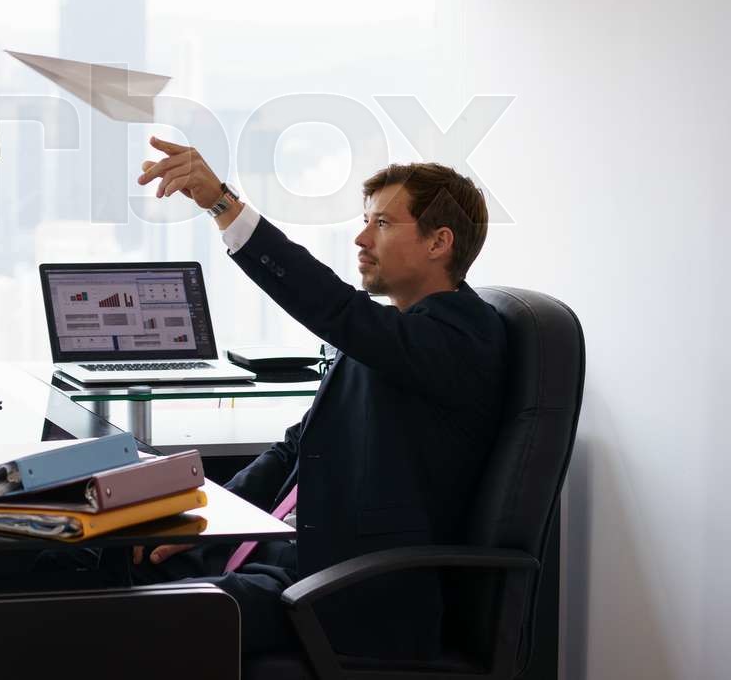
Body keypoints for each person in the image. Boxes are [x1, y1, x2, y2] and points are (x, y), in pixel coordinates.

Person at [132, 138, 506, 659]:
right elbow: (292, 449)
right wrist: (205, 522)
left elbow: (335, 309)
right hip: (271, 553)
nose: (360, 238)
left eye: (381, 223)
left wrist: (223, 205)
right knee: (102, 565)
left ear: (438, 242)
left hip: (334, 588)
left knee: (132, 618)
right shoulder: (394, 335)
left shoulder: (461, 337)